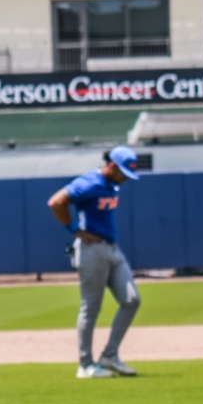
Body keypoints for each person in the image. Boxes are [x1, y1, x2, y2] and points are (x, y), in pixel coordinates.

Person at [50, 146, 143, 379]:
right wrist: (74, 230)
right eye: (123, 173)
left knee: (131, 300)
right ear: (112, 166)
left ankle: (110, 355)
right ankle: (85, 365)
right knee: (90, 307)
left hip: (112, 247)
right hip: (92, 249)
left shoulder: (113, 184)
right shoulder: (91, 182)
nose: (125, 179)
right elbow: (56, 202)